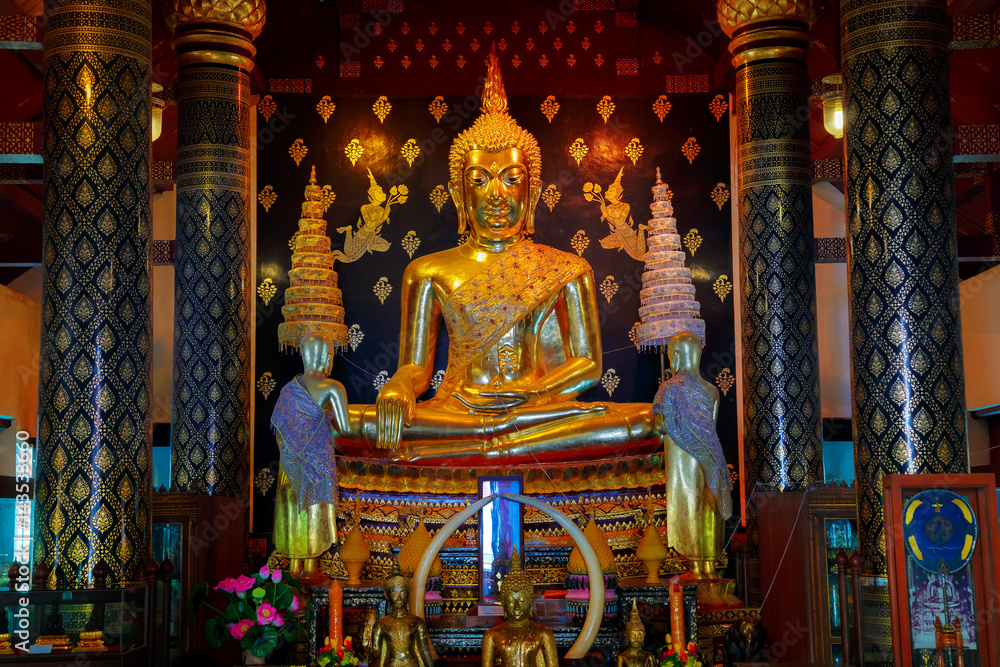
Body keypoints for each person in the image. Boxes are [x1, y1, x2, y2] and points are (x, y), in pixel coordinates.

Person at [332, 45, 659, 466]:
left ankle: (494, 445)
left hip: (538, 412)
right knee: (354, 422)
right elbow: (416, 367)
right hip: (456, 413)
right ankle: (495, 444)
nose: (497, 194)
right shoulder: (428, 271)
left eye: (511, 177)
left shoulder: (568, 269)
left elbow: (588, 365)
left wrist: (532, 392)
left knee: (644, 420)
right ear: (460, 195)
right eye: (480, 179)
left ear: (533, 191)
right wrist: (398, 387)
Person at [653, 332, 733, 581]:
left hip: (682, 462)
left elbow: (660, 425)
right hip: (711, 459)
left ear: (675, 356)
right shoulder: (713, 391)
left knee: (689, 506)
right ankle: (710, 568)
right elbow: (711, 426)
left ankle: (697, 569)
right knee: (707, 507)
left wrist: (679, 428)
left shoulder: (668, 388)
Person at [272, 334, 347, 581]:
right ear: (328, 358)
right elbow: (345, 430)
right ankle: (311, 570)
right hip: (316, 467)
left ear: (303, 356)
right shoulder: (333, 387)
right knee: (313, 508)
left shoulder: (286, 391)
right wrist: (325, 428)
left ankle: (294, 571)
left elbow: (280, 434)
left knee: (294, 511)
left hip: (288, 468)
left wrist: (300, 445)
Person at [481, 548, 558, 667]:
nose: (517, 607)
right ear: (504, 604)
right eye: (511, 602)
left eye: (522, 601)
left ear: (530, 603)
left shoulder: (544, 634)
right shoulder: (491, 635)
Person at [369, 559, 434, 667]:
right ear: (387, 595)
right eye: (394, 593)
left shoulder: (417, 622)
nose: (399, 598)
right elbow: (376, 655)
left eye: (402, 592)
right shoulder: (381, 624)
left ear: (408, 594)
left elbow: (425, 652)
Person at [617, 600, 655, 667]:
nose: (636, 639)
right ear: (626, 636)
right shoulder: (622, 657)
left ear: (644, 635)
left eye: (640, 636)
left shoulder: (649, 656)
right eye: (633, 636)